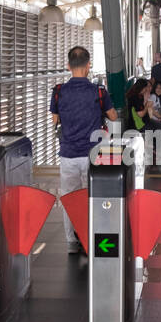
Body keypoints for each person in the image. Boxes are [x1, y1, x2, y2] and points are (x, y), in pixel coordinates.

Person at [51, 46, 117, 255]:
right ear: (89, 66)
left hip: (68, 153)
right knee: (93, 196)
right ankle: (92, 236)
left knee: (70, 197)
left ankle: (71, 241)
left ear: (68, 65)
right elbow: (113, 116)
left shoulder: (59, 91)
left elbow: (55, 119)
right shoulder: (99, 91)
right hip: (93, 154)